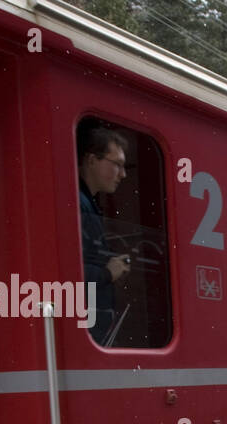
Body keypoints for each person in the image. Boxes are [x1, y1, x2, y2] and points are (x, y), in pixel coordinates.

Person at [76, 123, 131, 344]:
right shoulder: (81, 205)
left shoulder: (87, 204)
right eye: (117, 164)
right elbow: (71, 270)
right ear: (91, 160)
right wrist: (108, 273)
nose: (123, 174)